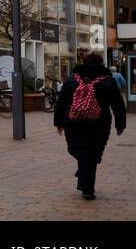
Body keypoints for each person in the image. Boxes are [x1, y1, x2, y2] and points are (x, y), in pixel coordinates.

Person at [54, 51, 126, 201]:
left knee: (81, 151)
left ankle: (84, 176)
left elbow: (61, 103)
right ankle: (87, 188)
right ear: (101, 64)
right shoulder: (108, 81)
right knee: (91, 154)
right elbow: (118, 105)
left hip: (74, 123)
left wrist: (59, 123)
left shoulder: (72, 80)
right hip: (99, 124)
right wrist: (120, 125)